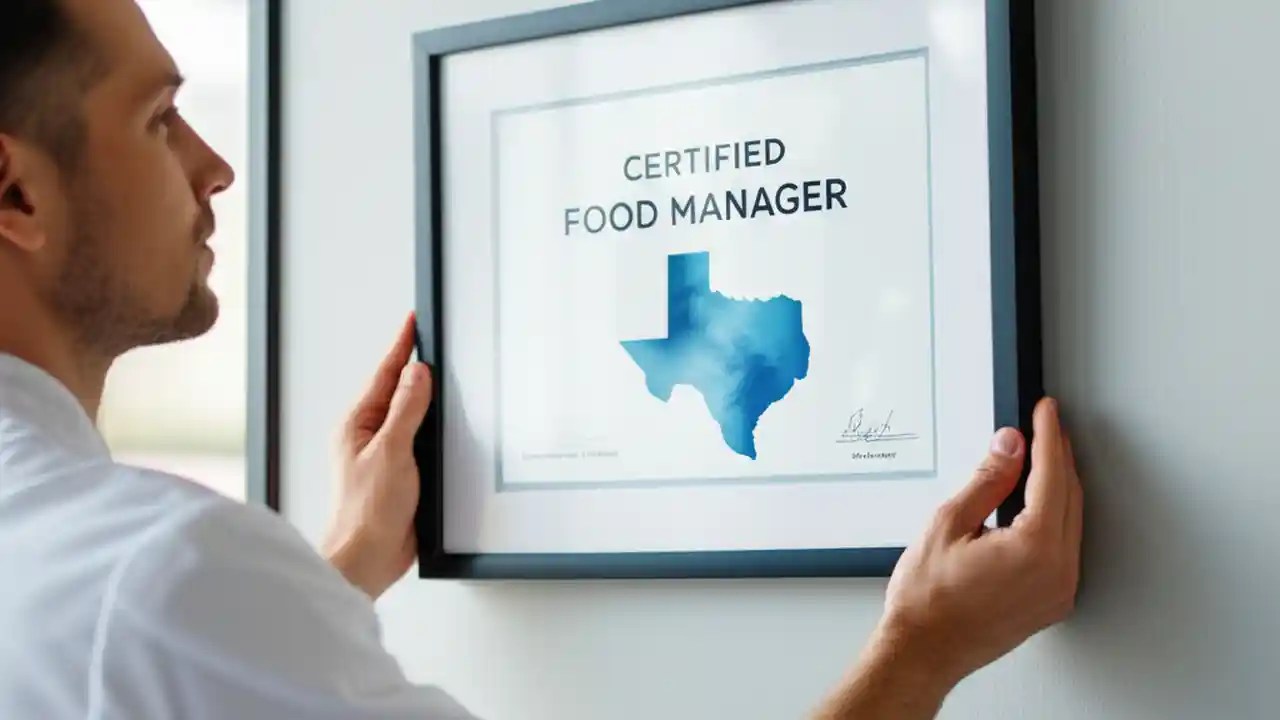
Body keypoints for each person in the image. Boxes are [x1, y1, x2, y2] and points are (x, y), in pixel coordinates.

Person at [0, 1, 1083, 718]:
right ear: (15, 193)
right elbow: (156, 626)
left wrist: (344, 564)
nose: (215, 165)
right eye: (159, 117)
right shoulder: (167, 576)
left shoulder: (113, 580)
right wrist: (920, 651)